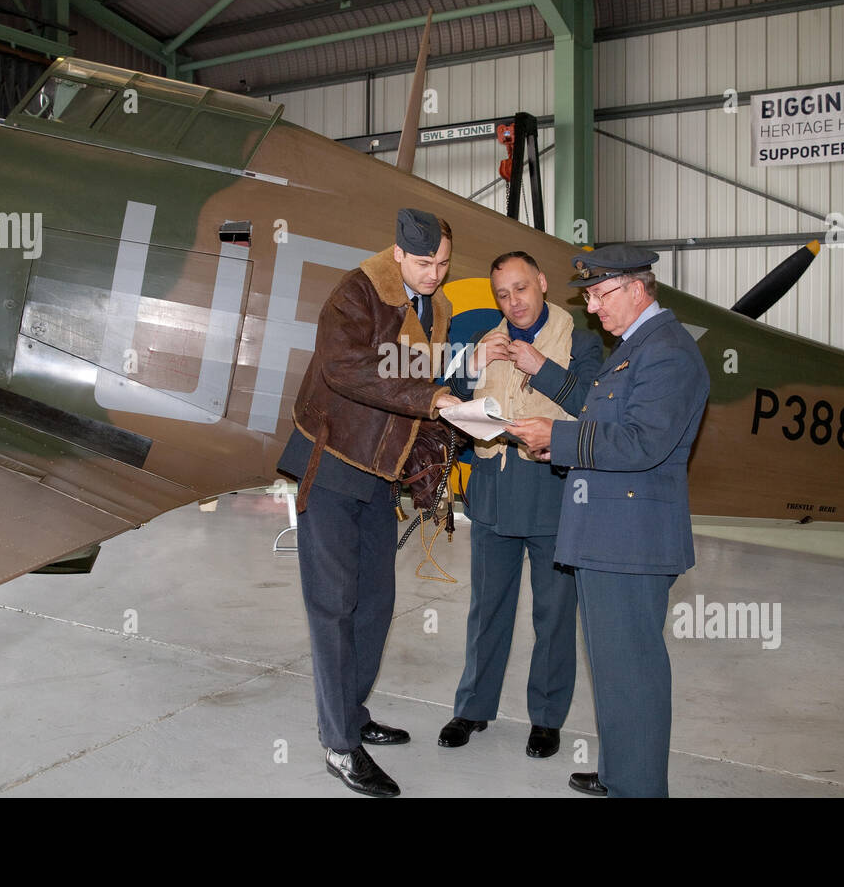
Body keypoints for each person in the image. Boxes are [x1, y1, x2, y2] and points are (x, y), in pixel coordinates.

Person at [506, 245, 710, 798]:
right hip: (608, 539)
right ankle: (623, 771)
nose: (592, 307)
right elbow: (604, 423)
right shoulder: (635, 348)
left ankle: (637, 788)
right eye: (590, 295)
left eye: (599, 294)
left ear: (636, 288)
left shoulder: (665, 351)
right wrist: (558, 444)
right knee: (615, 674)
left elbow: (643, 442)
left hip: (631, 544)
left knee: (633, 676)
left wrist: (558, 438)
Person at [277, 207, 460, 797]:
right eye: (426, 263)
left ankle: (352, 714)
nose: (436, 273)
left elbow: (413, 384)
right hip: (330, 466)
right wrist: (432, 401)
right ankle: (338, 745)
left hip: (381, 476)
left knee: (375, 604)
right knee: (333, 608)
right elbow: (345, 369)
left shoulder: (439, 308)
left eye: (444, 263)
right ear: (400, 254)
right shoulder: (355, 294)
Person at [438, 251, 600, 758]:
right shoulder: (488, 339)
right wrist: (470, 369)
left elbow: (595, 407)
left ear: (543, 284)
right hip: (492, 495)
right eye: (503, 294)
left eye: (522, 289)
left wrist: (542, 368)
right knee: (486, 611)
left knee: (553, 617)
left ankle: (547, 719)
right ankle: (473, 708)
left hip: (554, 498)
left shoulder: (582, 341)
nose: (514, 302)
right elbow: (449, 394)